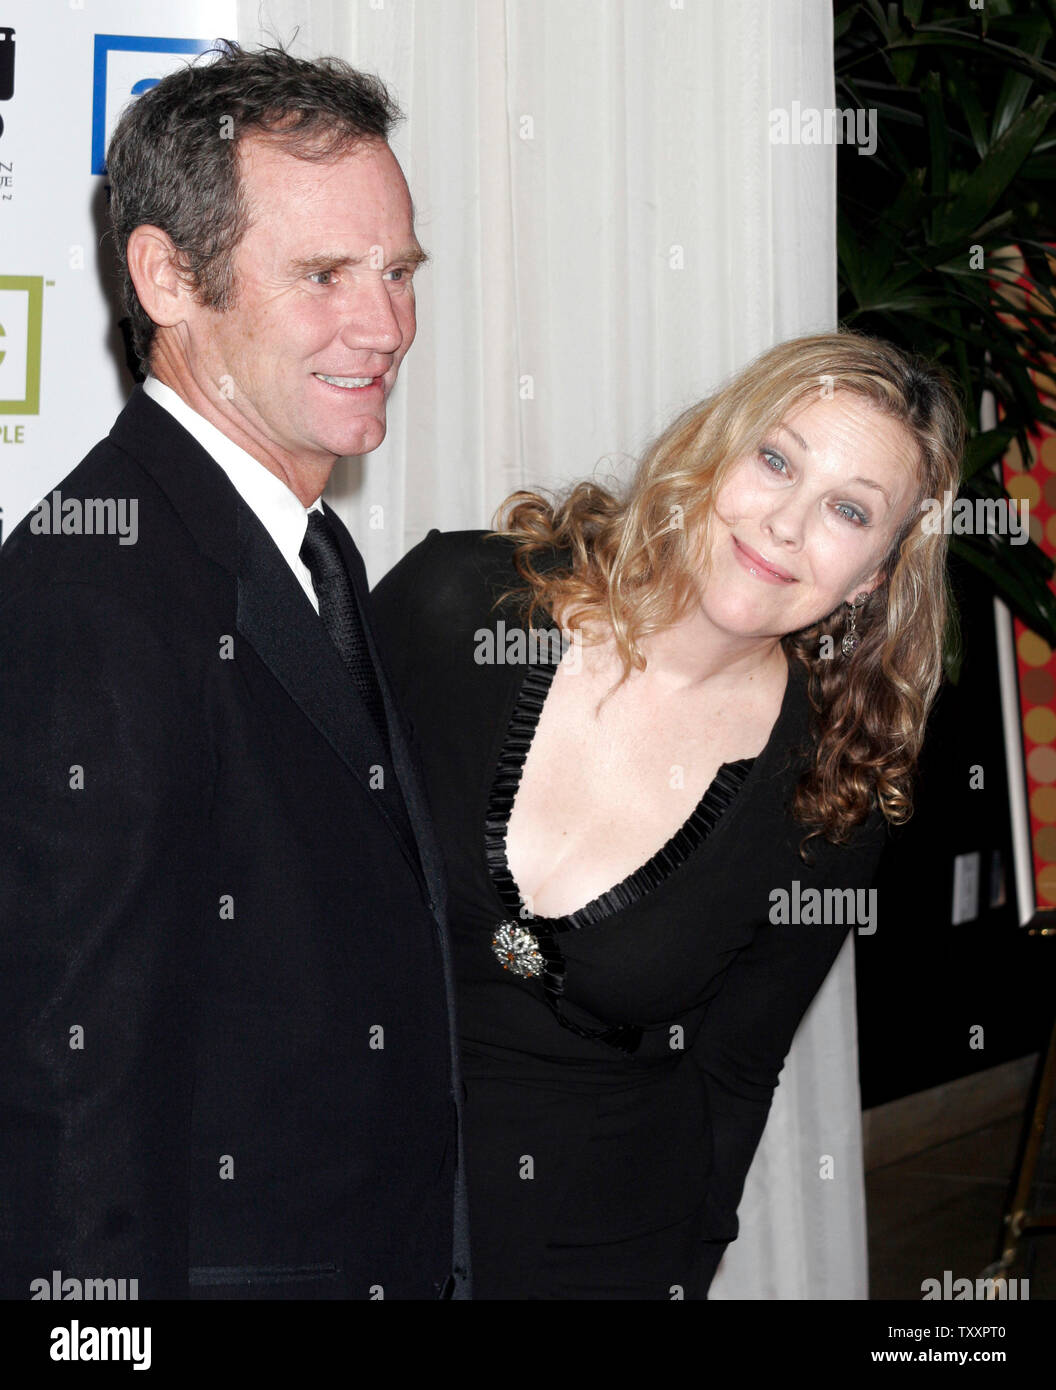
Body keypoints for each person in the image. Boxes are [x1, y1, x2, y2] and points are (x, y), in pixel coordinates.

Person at [0, 42, 468, 1300]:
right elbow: (66, 1074)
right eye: (323, 274)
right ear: (168, 277)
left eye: (397, 271)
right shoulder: (91, 588)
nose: (385, 324)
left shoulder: (305, 541)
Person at [371, 331, 964, 1299]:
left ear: (871, 576)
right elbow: (280, 883)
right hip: (334, 1186)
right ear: (711, 450)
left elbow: (734, 1072)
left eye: (848, 511)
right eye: (776, 459)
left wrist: (681, 1275)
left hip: (594, 1245)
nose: (784, 524)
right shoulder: (456, 604)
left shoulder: (832, 797)